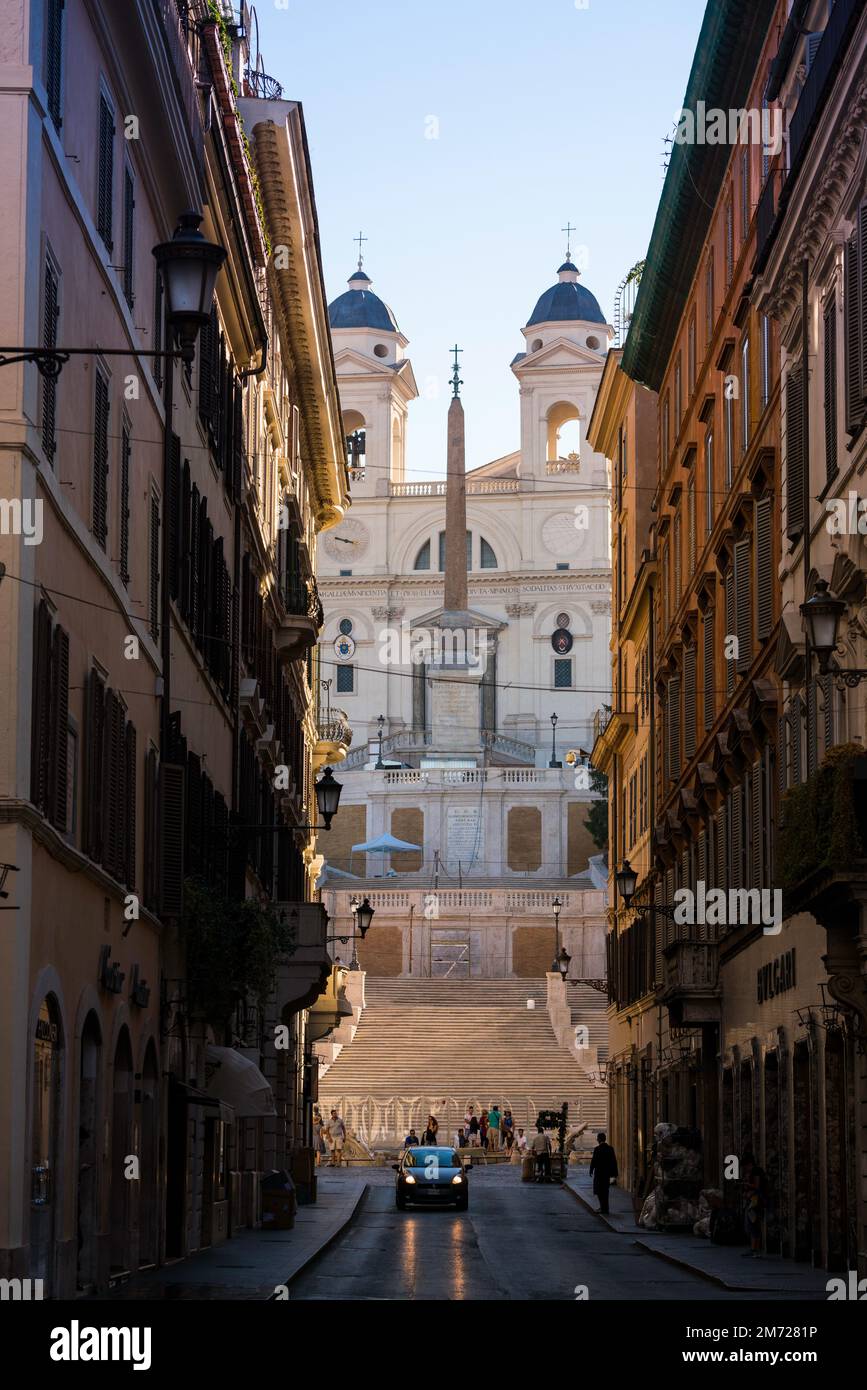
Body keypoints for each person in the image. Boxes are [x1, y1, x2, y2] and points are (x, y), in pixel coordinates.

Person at [741, 1151, 768, 1259]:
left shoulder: (756, 1171)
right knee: (751, 1225)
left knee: (753, 1225)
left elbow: (757, 1186)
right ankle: (753, 1249)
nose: (745, 1168)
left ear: (749, 1164)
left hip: (756, 1203)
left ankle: (755, 1249)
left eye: (745, 1166)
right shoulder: (753, 1172)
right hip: (753, 1202)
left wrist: (747, 1184)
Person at [589, 1131, 618, 1213]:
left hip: (599, 1173)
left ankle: (603, 1207)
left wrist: (591, 1170)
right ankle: (606, 1208)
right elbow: (614, 1161)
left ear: (598, 1139)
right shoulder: (610, 1149)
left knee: (599, 1191)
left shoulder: (597, 1149)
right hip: (606, 1174)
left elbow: (593, 1161)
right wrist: (615, 1173)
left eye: (597, 1138)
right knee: (605, 1191)